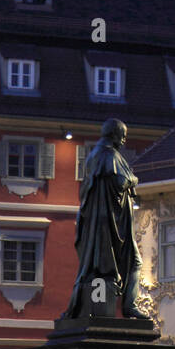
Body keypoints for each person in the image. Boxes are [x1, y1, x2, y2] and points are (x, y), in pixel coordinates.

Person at [63, 118, 147, 320]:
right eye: (123, 135)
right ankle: (129, 305)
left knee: (100, 270)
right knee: (134, 262)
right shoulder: (110, 155)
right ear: (115, 134)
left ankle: (121, 307)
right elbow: (120, 182)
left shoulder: (94, 155)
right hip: (112, 224)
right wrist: (134, 178)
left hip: (99, 222)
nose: (125, 140)